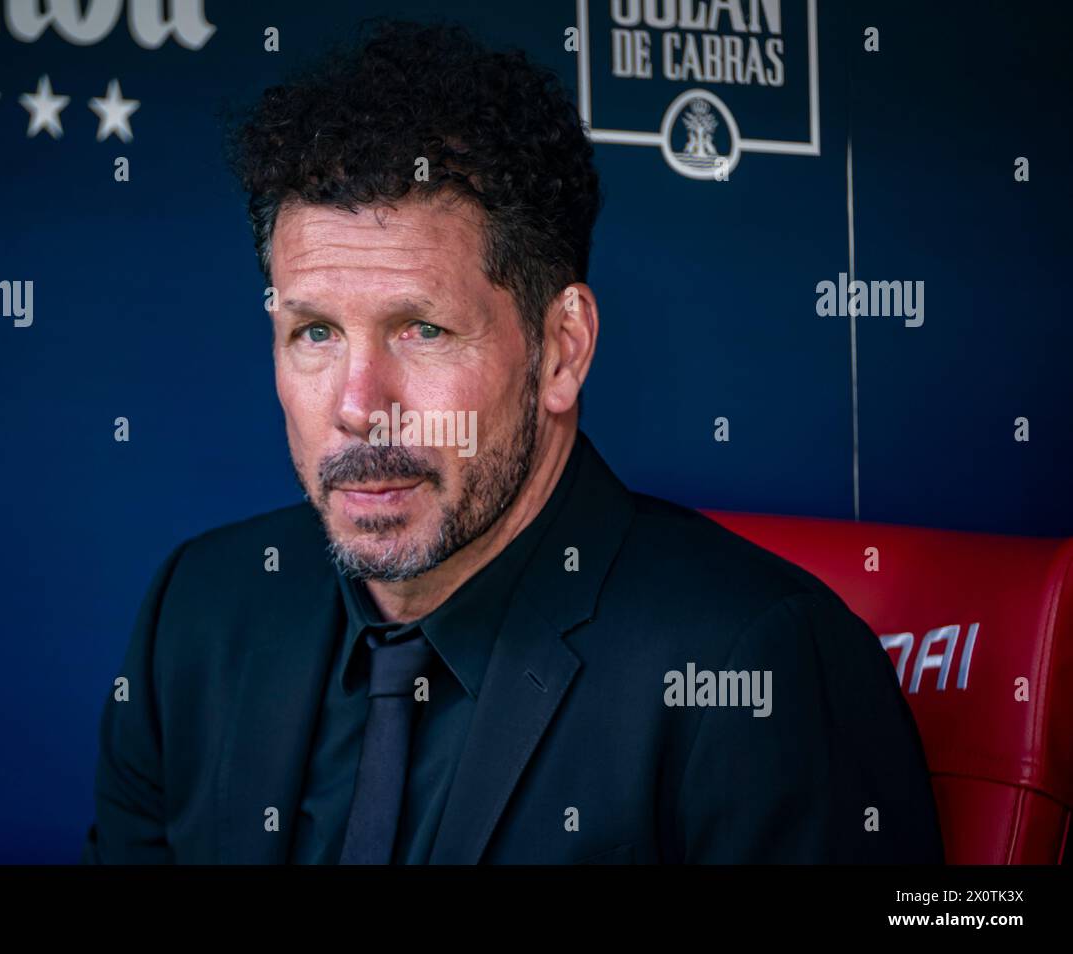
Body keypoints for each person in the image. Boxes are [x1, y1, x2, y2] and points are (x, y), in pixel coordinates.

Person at [81, 18, 943, 864]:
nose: (357, 406)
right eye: (314, 333)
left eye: (421, 329)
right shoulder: (196, 614)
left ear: (561, 349)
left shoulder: (756, 667)